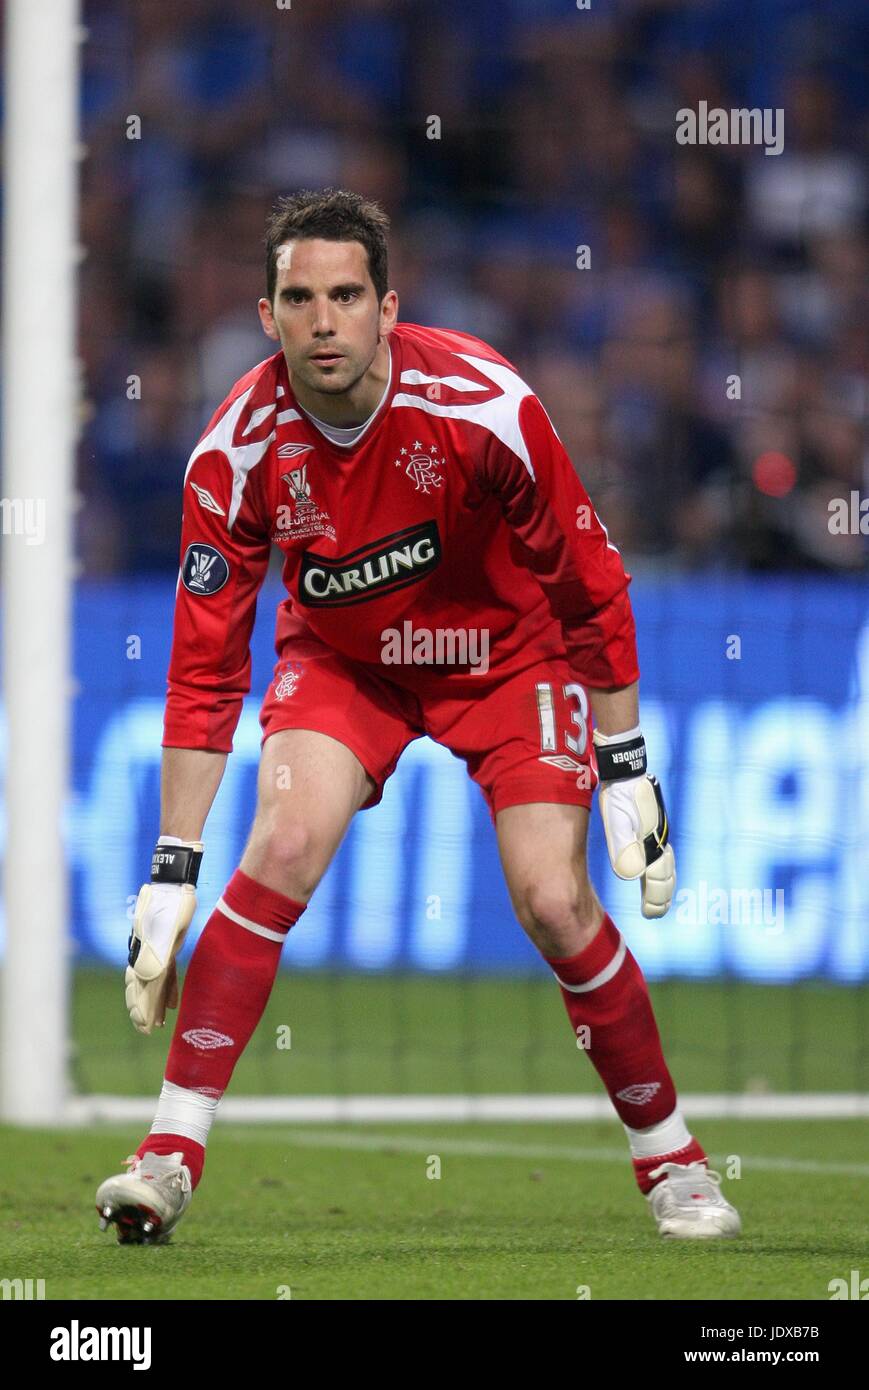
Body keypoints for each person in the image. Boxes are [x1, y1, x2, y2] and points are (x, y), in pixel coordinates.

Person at [96, 188, 740, 1245]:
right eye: (298, 298)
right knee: (284, 842)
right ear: (265, 316)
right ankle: (166, 1152)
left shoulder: (485, 405)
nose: (322, 320)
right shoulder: (234, 453)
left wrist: (624, 761)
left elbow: (589, 581)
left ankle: (670, 1160)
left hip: (505, 655)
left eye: (345, 295)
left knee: (552, 900)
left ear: (386, 306)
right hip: (348, 665)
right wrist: (171, 867)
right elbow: (204, 668)